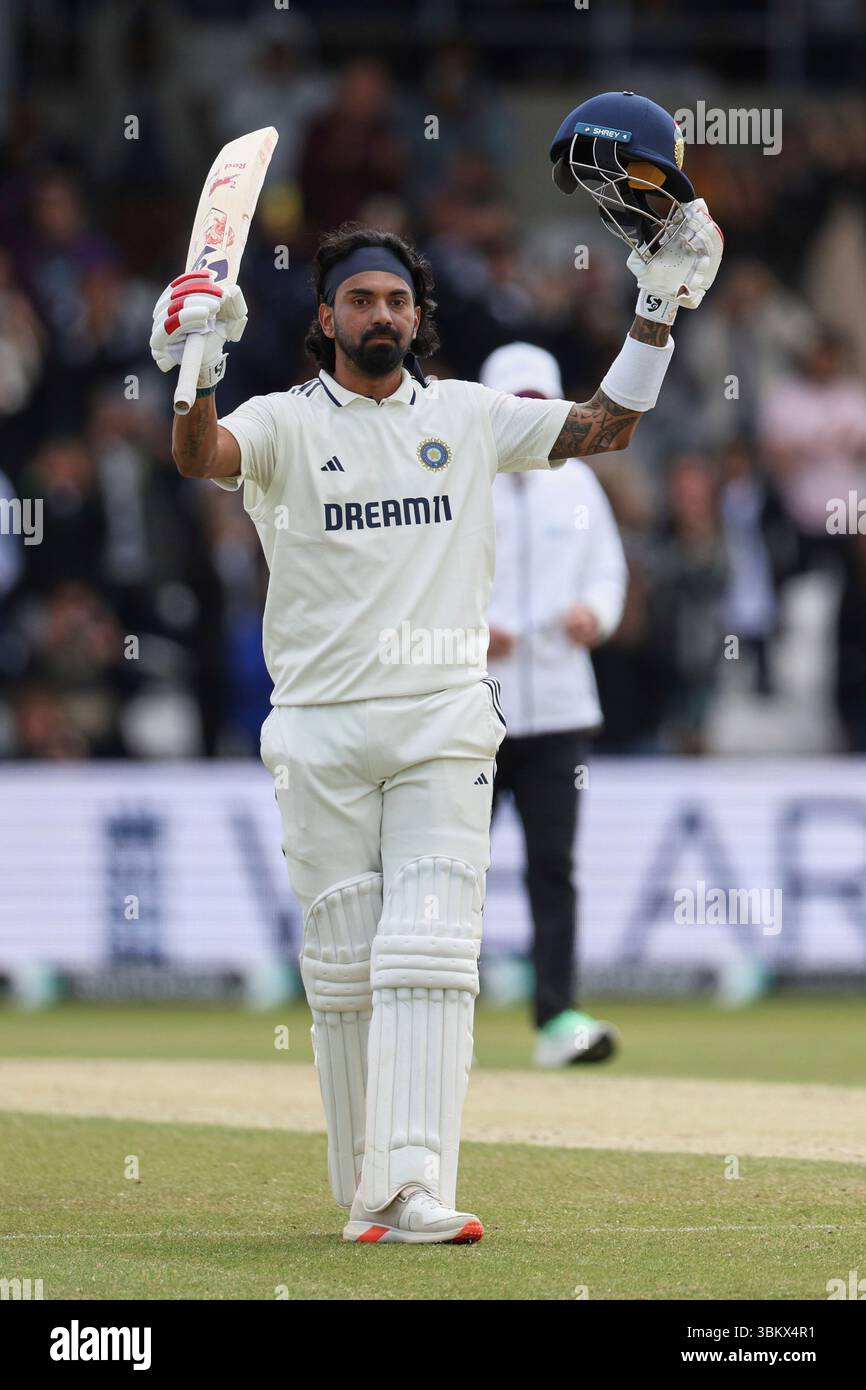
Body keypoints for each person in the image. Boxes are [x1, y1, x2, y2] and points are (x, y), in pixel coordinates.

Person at [150, 156, 721, 1243]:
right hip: (317, 726)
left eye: (397, 300)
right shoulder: (276, 421)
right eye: (359, 298)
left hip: (442, 719)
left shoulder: (467, 416)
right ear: (324, 317)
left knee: (426, 950)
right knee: (344, 969)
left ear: (418, 319)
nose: (380, 313)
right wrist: (194, 367)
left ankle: (410, 1189)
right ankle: (369, 1190)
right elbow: (195, 455)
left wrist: (654, 309)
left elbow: (604, 426)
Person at [481, 342, 627, 1066]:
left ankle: (556, 1018)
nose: (534, 418)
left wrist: (592, 617)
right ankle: (435, 1015)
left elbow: (609, 571)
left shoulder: (577, 485)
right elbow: (420, 580)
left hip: (562, 708)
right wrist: (469, 633)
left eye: (544, 404)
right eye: (520, 404)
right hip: (472, 707)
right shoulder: (458, 480)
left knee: (553, 867)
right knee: (451, 868)